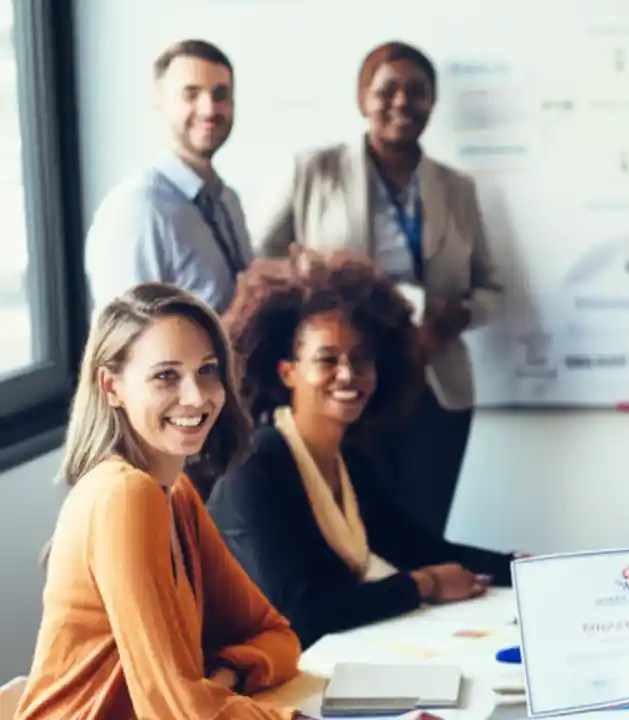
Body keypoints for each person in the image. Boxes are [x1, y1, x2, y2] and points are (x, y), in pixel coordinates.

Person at [16, 284, 300, 719]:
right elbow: (173, 709)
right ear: (111, 386)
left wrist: (224, 675)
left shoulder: (177, 495)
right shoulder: (122, 496)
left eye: (207, 370)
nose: (196, 396)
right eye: (166, 375)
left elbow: (276, 636)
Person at [208, 251, 515, 649]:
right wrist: (425, 584)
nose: (349, 375)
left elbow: (419, 548)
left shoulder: (347, 459)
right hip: (245, 686)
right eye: (327, 360)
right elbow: (300, 614)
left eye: (361, 359)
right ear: (288, 371)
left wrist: (525, 568)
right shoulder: (254, 467)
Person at [254, 41, 498, 540]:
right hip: (342, 379)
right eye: (387, 89)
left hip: (434, 384)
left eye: (418, 91)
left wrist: (455, 321)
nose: (402, 102)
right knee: (347, 531)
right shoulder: (313, 171)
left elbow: (492, 288)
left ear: (432, 103)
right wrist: (314, 292)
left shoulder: (457, 189)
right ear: (363, 98)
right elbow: (260, 264)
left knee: (424, 532)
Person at [84, 40, 251, 317]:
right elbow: (128, 339)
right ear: (159, 101)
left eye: (220, 94)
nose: (209, 109)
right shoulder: (138, 209)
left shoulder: (228, 200)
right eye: (191, 94)